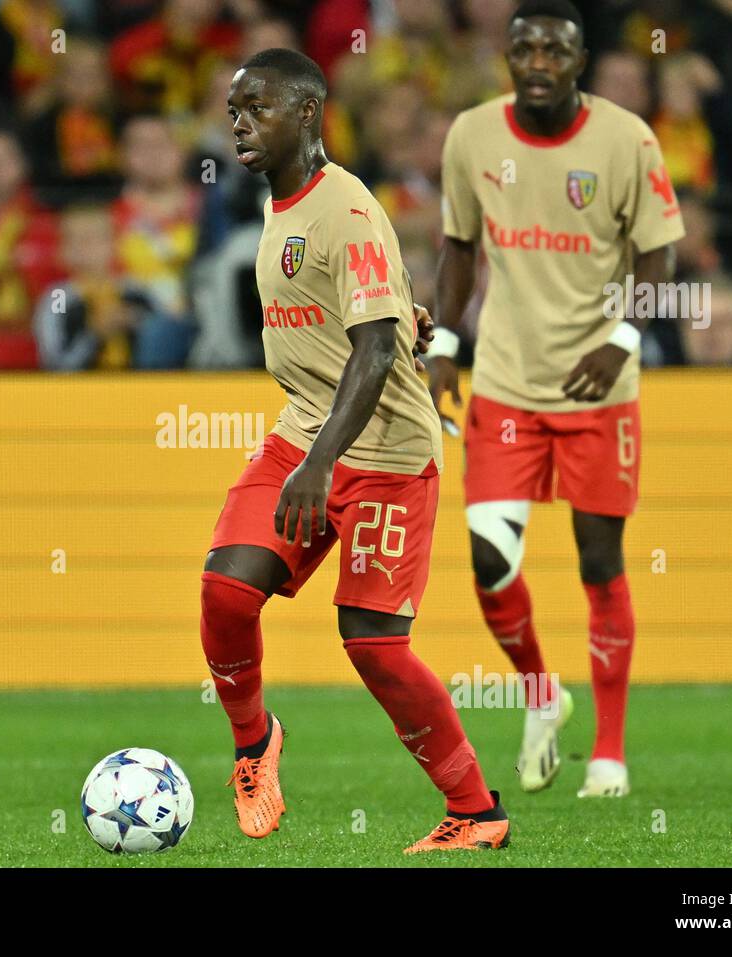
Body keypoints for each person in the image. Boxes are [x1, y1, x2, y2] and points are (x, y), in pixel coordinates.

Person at [202, 47, 509, 854]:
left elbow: (373, 352)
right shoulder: (279, 205)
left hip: (384, 452)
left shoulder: (344, 208)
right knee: (225, 592)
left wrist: (318, 464)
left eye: (257, 106)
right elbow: (378, 312)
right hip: (310, 423)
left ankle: (476, 811)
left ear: (307, 113)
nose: (239, 121)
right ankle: (252, 744)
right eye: (234, 108)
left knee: (373, 644)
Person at [424, 0, 685, 798]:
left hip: (598, 389)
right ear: (508, 57)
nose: (537, 60)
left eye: (555, 49)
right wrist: (442, 343)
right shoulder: (472, 135)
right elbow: (459, 248)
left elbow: (658, 256)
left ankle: (609, 749)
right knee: (488, 562)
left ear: (578, 62)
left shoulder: (625, 140)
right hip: (505, 383)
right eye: (524, 47)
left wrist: (623, 340)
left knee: (598, 561)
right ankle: (541, 691)